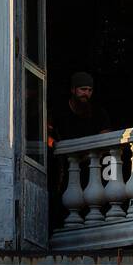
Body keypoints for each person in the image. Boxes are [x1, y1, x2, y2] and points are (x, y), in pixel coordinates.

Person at [47, 71, 110, 230]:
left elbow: (106, 140)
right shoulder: (59, 111)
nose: (86, 94)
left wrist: (89, 155)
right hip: (63, 166)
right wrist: (55, 145)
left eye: (89, 90)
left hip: (91, 166)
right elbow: (45, 134)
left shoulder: (99, 113)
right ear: (73, 90)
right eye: (82, 89)